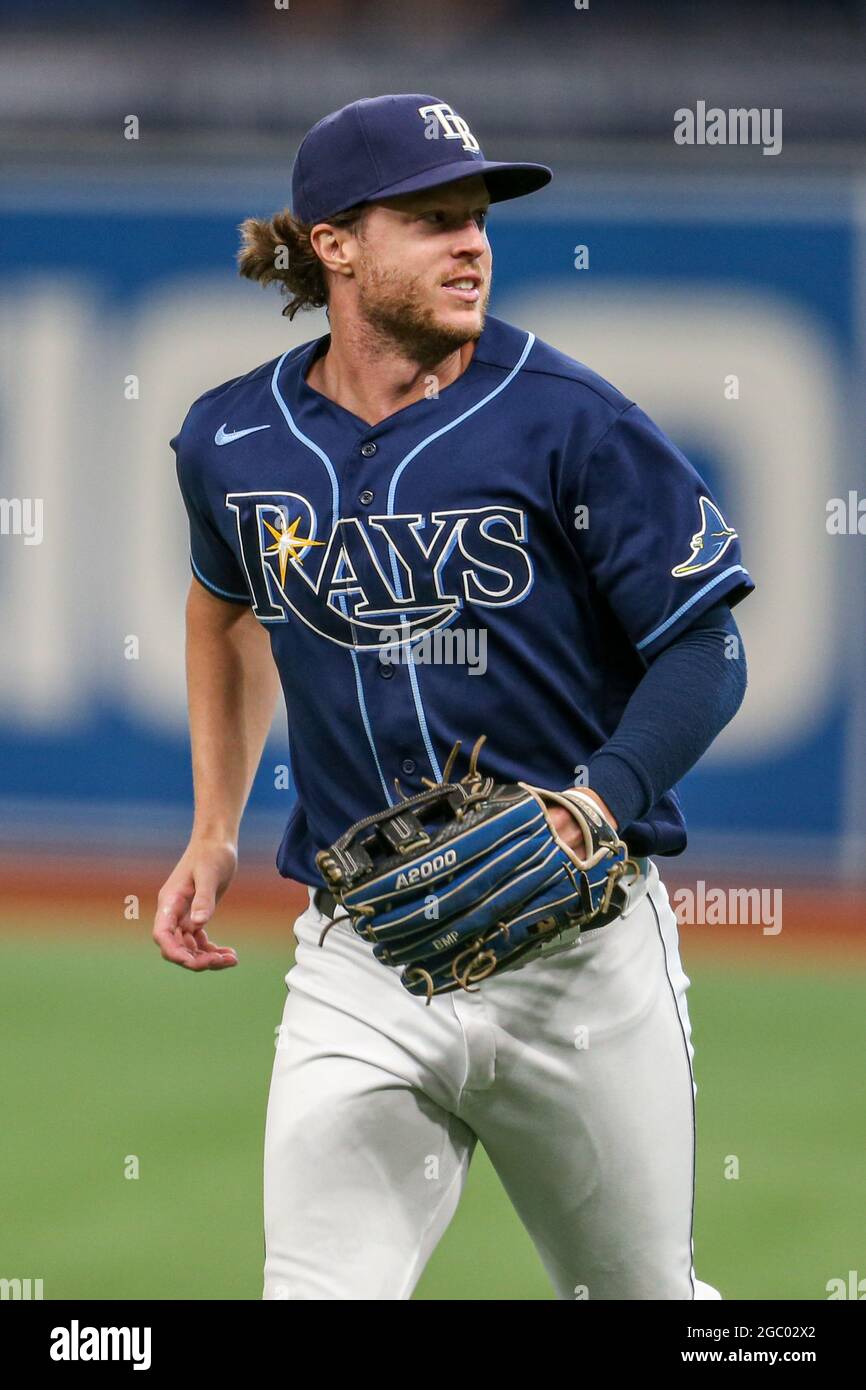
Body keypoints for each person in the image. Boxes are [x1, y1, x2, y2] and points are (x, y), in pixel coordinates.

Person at [154, 94, 754, 1300]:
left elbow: (704, 648)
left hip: (577, 955)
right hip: (360, 949)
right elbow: (223, 608)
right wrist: (214, 827)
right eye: (430, 219)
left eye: (475, 218)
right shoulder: (231, 437)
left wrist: (594, 805)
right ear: (333, 243)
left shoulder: (569, 419)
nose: (471, 243)